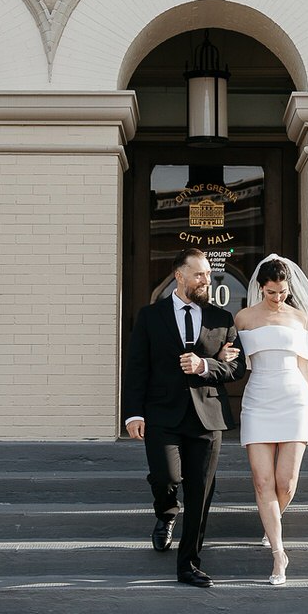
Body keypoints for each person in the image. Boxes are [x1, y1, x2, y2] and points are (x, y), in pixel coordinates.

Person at [122, 248, 245, 588]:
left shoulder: (222, 318)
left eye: (208, 274)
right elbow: (137, 368)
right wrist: (133, 413)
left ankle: (188, 564)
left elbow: (237, 367)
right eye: (200, 274)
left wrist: (206, 365)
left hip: (208, 418)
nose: (207, 279)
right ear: (179, 275)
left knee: (200, 494)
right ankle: (165, 512)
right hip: (162, 415)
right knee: (165, 476)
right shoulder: (150, 316)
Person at [233, 254, 308, 586]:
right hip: (258, 400)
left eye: (282, 292)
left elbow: (306, 368)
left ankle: (271, 520)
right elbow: (236, 362)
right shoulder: (244, 318)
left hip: (294, 401)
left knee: (285, 483)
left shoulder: (300, 318)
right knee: (263, 482)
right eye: (271, 292)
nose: (277, 299)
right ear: (260, 288)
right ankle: (279, 554)